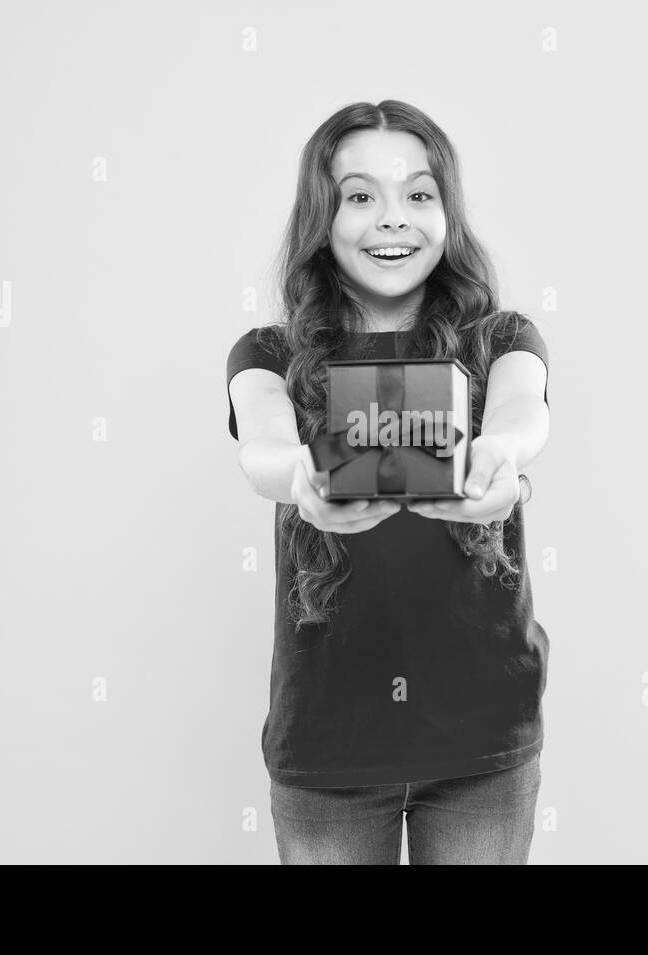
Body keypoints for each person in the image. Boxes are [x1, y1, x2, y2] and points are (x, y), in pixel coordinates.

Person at [225, 100, 551, 864]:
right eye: (361, 196)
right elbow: (262, 447)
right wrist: (301, 479)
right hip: (328, 741)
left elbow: (521, 411)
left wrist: (499, 461)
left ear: (448, 212)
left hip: (481, 732)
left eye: (419, 195)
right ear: (323, 217)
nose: (393, 220)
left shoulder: (501, 338)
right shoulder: (268, 351)